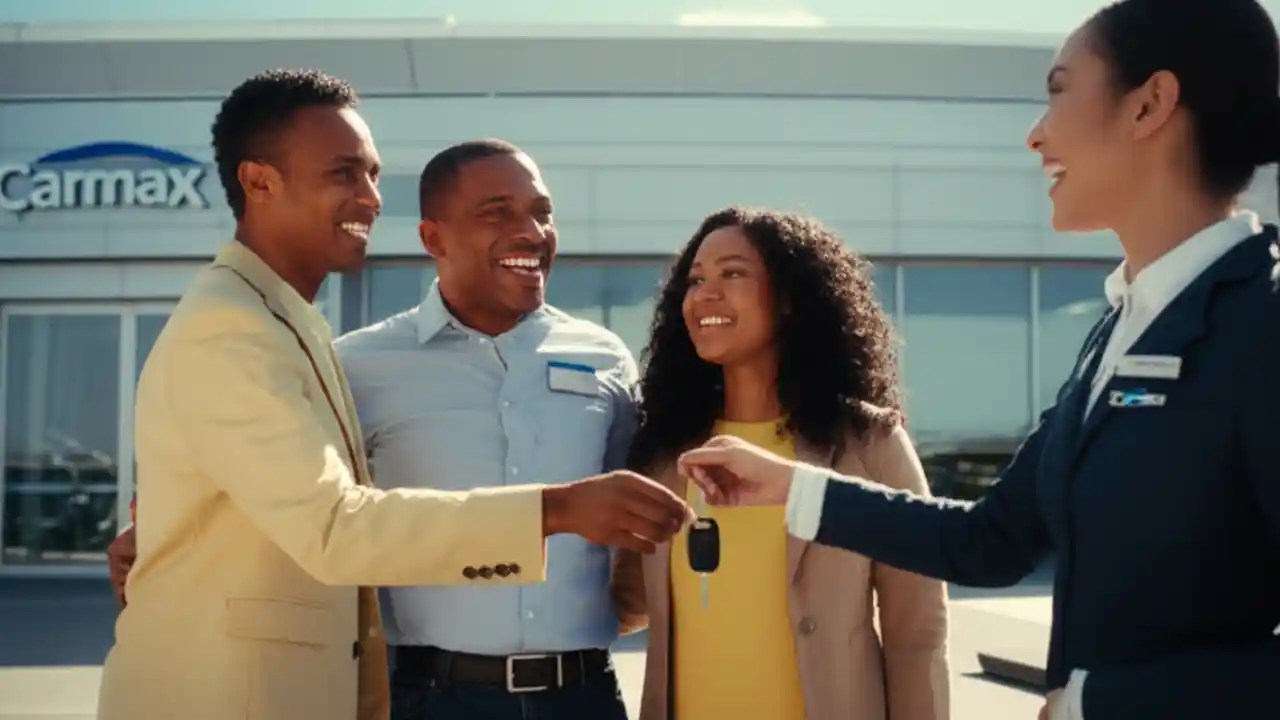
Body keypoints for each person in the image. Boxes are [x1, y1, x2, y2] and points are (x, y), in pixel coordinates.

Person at [675, 2, 1280, 719]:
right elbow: (989, 541)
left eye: (1059, 90)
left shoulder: (1262, 321)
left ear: (1150, 104)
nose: (1035, 134)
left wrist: (1103, 700)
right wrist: (793, 489)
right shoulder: (1123, 330)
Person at [98, 72, 690, 720]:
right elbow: (333, 523)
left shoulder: (288, 325)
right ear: (260, 182)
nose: (372, 198)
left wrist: (157, 530)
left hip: (578, 692)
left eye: (373, 174)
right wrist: (555, 510)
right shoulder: (242, 329)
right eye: (345, 173)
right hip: (301, 695)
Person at [333, 138, 652, 720]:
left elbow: (635, 527)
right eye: (497, 212)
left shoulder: (605, 356)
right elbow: (301, 505)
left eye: (543, 212)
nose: (532, 232)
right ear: (434, 239)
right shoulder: (358, 367)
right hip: (433, 700)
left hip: (583, 697)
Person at [614, 207, 949, 720]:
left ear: (790, 297)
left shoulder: (868, 442)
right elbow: (624, 603)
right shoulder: (662, 451)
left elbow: (918, 633)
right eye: (695, 279)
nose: (704, 292)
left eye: (733, 273)